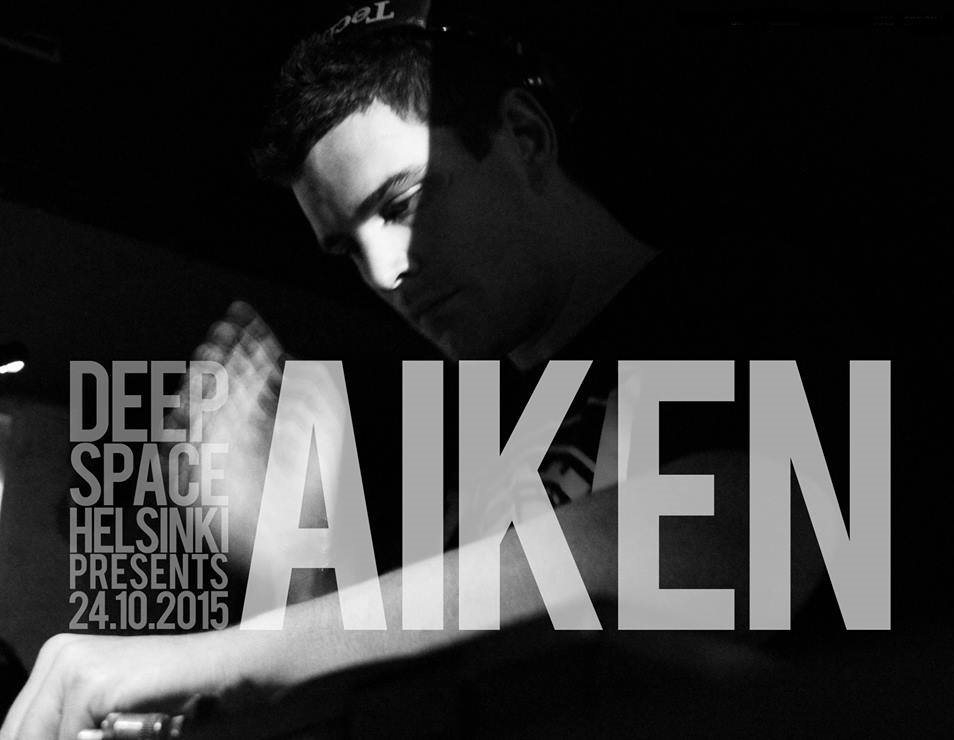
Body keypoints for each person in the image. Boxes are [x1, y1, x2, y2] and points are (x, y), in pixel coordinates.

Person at [1, 3, 838, 737]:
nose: (383, 272)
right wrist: (297, 562)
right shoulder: (474, 428)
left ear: (526, 138)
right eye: (347, 248)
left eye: (401, 204)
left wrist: (219, 655)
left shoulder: (755, 296)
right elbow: (445, 687)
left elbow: (749, 544)